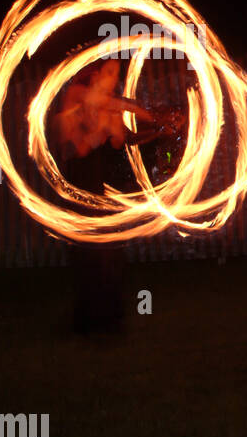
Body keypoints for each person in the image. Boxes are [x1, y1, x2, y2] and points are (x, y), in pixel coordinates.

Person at [51, 58, 166, 334]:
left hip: (102, 185)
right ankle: (88, 321)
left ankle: (111, 319)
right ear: (95, 74)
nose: (115, 79)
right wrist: (104, 126)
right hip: (81, 182)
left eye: (117, 74)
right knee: (90, 254)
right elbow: (77, 145)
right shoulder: (77, 95)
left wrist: (158, 126)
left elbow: (121, 139)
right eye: (110, 72)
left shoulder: (107, 104)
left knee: (110, 253)